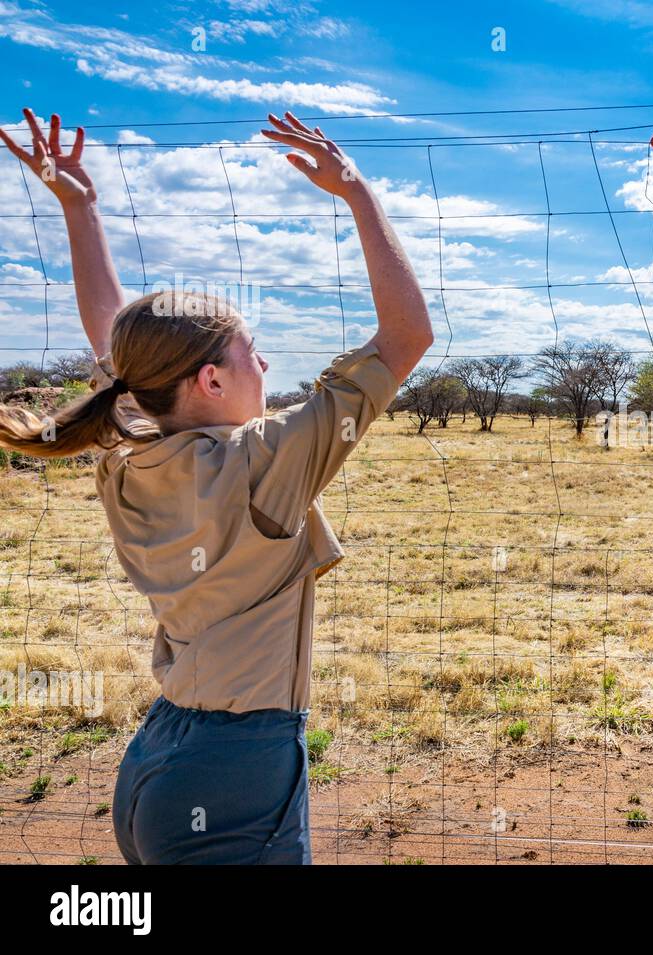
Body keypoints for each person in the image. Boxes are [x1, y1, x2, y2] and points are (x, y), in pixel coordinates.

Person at [0, 108, 433, 863]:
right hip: (236, 776)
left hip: (158, 760)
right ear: (209, 378)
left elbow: (118, 342)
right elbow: (407, 338)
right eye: (253, 351)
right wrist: (357, 191)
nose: (266, 367)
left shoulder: (129, 447)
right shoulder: (262, 459)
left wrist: (81, 209)